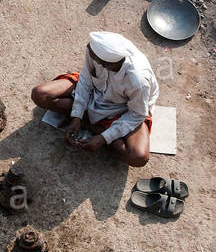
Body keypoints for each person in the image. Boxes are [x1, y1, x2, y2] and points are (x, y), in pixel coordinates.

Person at [31, 30, 158, 168]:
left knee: (138, 157)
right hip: (94, 92)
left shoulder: (138, 80)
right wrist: (76, 116)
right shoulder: (95, 51)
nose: (88, 53)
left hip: (122, 109)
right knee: (40, 94)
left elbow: (137, 114)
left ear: (106, 64)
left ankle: (95, 128)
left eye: (95, 59)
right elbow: (85, 80)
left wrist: (104, 138)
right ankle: (92, 124)